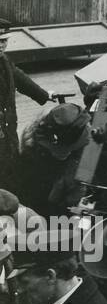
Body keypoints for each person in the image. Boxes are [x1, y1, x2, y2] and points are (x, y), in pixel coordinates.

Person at [0, 18, 50, 186]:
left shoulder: (3, 60)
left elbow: (19, 78)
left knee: (10, 170)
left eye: (4, 41)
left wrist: (44, 94)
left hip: (7, 132)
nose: (2, 45)